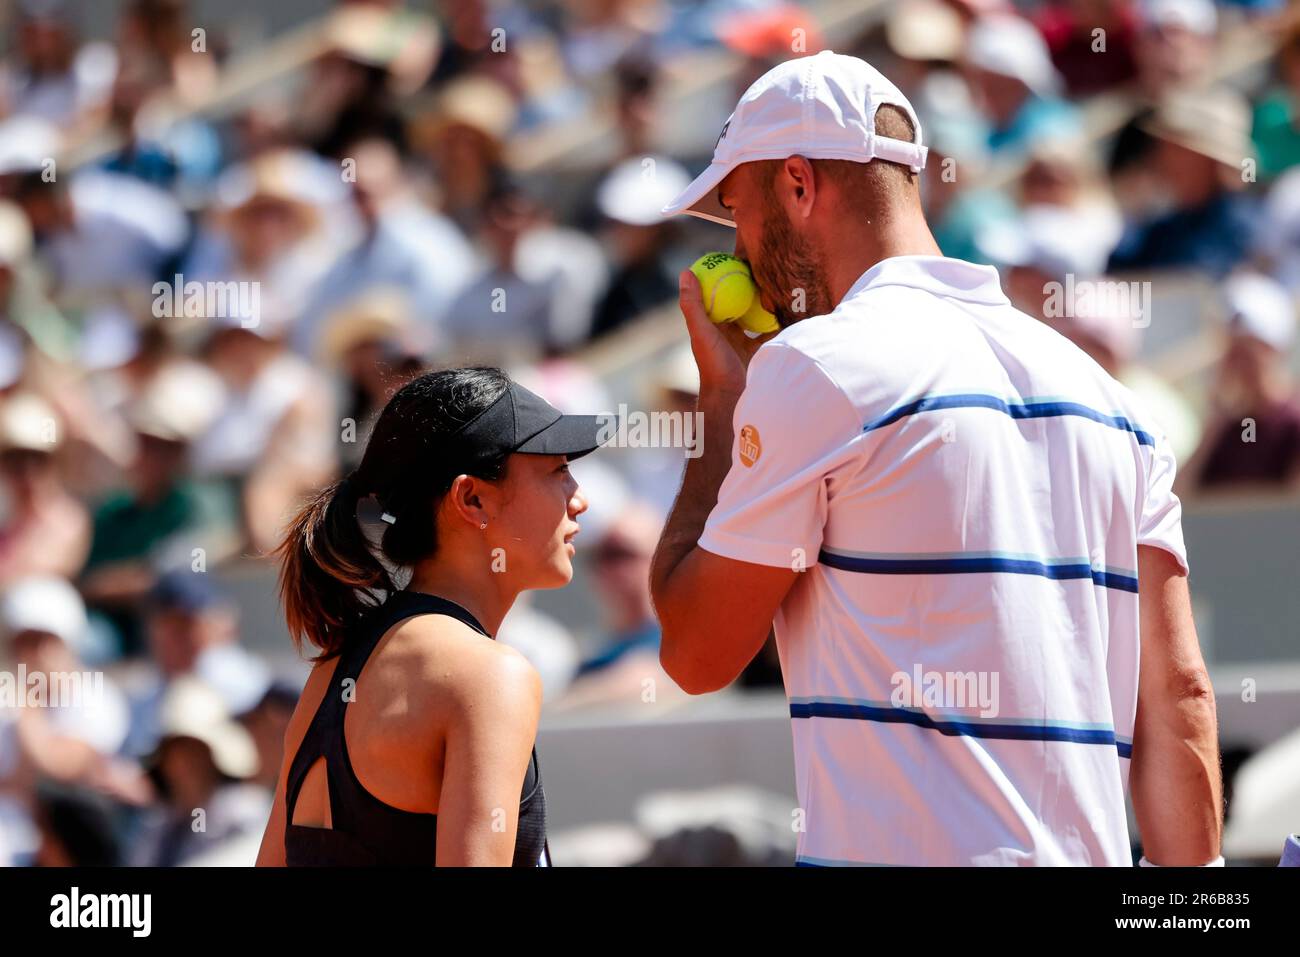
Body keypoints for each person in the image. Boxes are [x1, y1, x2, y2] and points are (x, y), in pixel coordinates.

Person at [651, 51, 1222, 866]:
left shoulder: (812, 367)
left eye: (737, 211)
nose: (738, 252)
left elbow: (695, 653)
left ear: (799, 185)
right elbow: (1181, 697)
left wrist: (721, 411)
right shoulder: (1114, 401)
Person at [256, 367, 612, 866]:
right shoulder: (489, 676)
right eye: (557, 471)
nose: (580, 498)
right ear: (472, 499)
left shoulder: (331, 672)